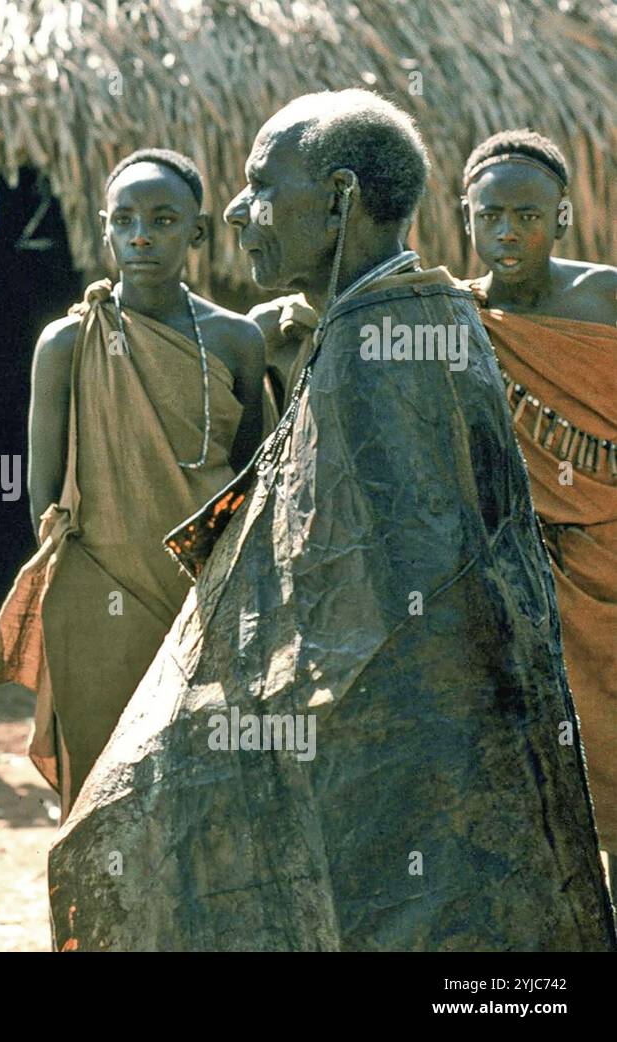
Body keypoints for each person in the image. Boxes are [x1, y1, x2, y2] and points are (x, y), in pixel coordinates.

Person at [47, 91, 616, 951]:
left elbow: (390, 611)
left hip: (396, 780)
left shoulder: (384, 347)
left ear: (343, 196)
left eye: (262, 185)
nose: (240, 211)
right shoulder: (392, 321)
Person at [0, 148, 266, 820]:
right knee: (106, 802)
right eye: (127, 220)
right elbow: (41, 499)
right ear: (104, 229)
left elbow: (254, 484)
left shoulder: (236, 342)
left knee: (204, 800)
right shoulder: (67, 343)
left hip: (205, 599)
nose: (142, 236)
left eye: (164, 220)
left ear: (197, 234)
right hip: (95, 598)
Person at [460, 129, 617, 888]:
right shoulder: (452, 317)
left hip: (613, 561)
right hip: (522, 571)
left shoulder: (606, 296)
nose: (506, 232)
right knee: (541, 773)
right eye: (490, 215)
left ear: (560, 218)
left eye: (526, 214)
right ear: (467, 218)